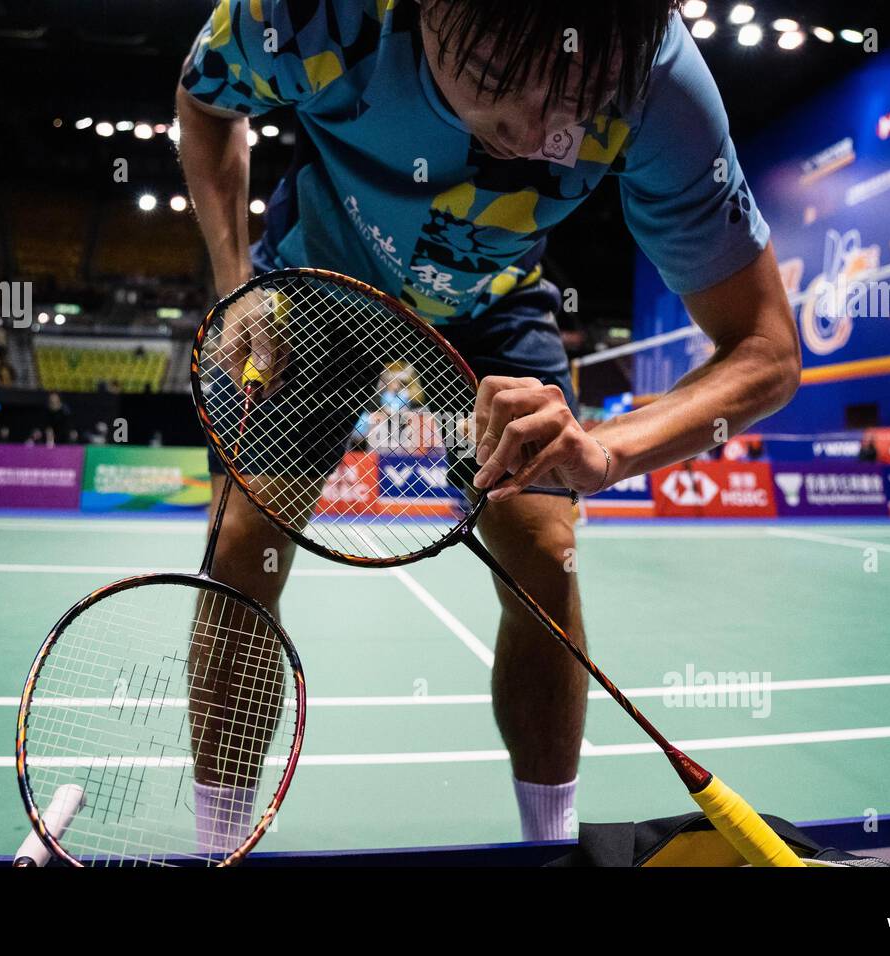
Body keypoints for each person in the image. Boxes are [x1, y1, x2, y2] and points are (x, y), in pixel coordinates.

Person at [177, 0, 799, 842]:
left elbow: (765, 348)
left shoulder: (654, 83)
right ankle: (218, 848)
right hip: (316, 281)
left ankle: (550, 850)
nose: (534, 131)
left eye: (575, 98)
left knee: (544, 551)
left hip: (488, 299)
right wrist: (232, 285)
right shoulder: (313, 12)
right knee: (242, 545)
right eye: (498, 82)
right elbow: (207, 102)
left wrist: (603, 451)